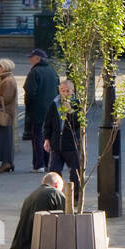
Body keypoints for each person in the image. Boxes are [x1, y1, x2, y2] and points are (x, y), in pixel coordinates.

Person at [43, 79, 83, 207]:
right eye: (62, 91)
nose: (65, 93)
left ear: (73, 91)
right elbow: (48, 123)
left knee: (75, 173)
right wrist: (47, 139)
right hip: (57, 145)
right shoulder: (54, 104)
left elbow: (78, 124)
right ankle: (54, 197)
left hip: (71, 145)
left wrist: (70, 111)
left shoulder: (77, 104)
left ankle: (75, 197)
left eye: (68, 91)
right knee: (54, 171)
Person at [10, 172, 66, 249]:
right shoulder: (55, 192)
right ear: (57, 185)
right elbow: (66, 220)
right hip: (37, 247)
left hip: (21, 244)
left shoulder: (30, 196)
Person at [23, 48, 59, 172]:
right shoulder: (53, 71)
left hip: (38, 112)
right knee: (47, 138)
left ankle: (39, 165)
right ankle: (47, 163)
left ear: (38, 59)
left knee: (38, 138)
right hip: (52, 112)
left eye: (31, 57)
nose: (29, 60)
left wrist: (28, 108)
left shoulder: (35, 72)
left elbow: (29, 93)